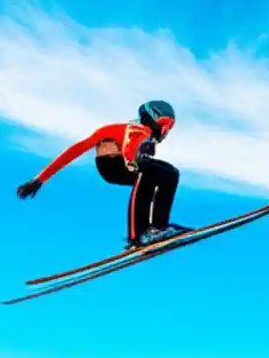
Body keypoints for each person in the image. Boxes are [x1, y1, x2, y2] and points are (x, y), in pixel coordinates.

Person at [16, 100, 190, 248]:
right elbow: (134, 142)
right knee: (153, 172)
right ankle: (139, 235)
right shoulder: (138, 130)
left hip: (112, 167)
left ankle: (158, 228)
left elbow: (76, 149)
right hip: (117, 163)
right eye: (167, 127)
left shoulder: (117, 130)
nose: (165, 134)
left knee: (167, 174)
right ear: (157, 120)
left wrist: (39, 179)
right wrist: (140, 153)